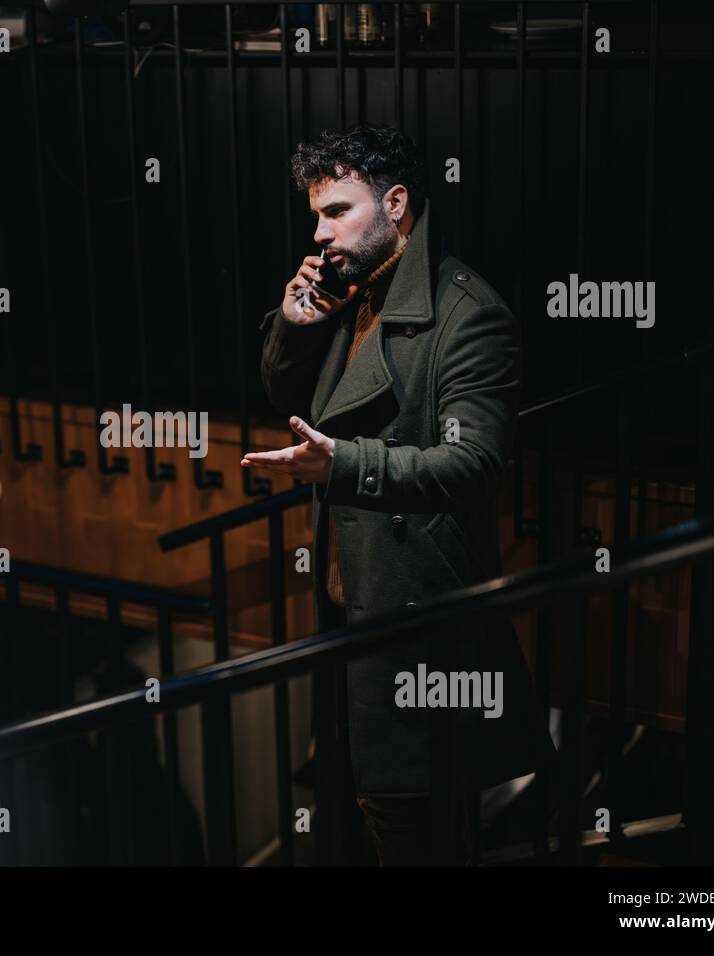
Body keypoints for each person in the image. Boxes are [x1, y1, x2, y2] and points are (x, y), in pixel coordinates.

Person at [243, 123, 555, 865]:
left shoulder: (468, 313)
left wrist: (344, 467)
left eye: (337, 212)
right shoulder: (350, 291)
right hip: (354, 617)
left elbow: (473, 463)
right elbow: (283, 391)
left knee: (417, 829)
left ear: (398, 204)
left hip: (418, 624)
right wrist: (293, 325)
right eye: (315, 214)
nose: (319, 234)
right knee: (360, 813)